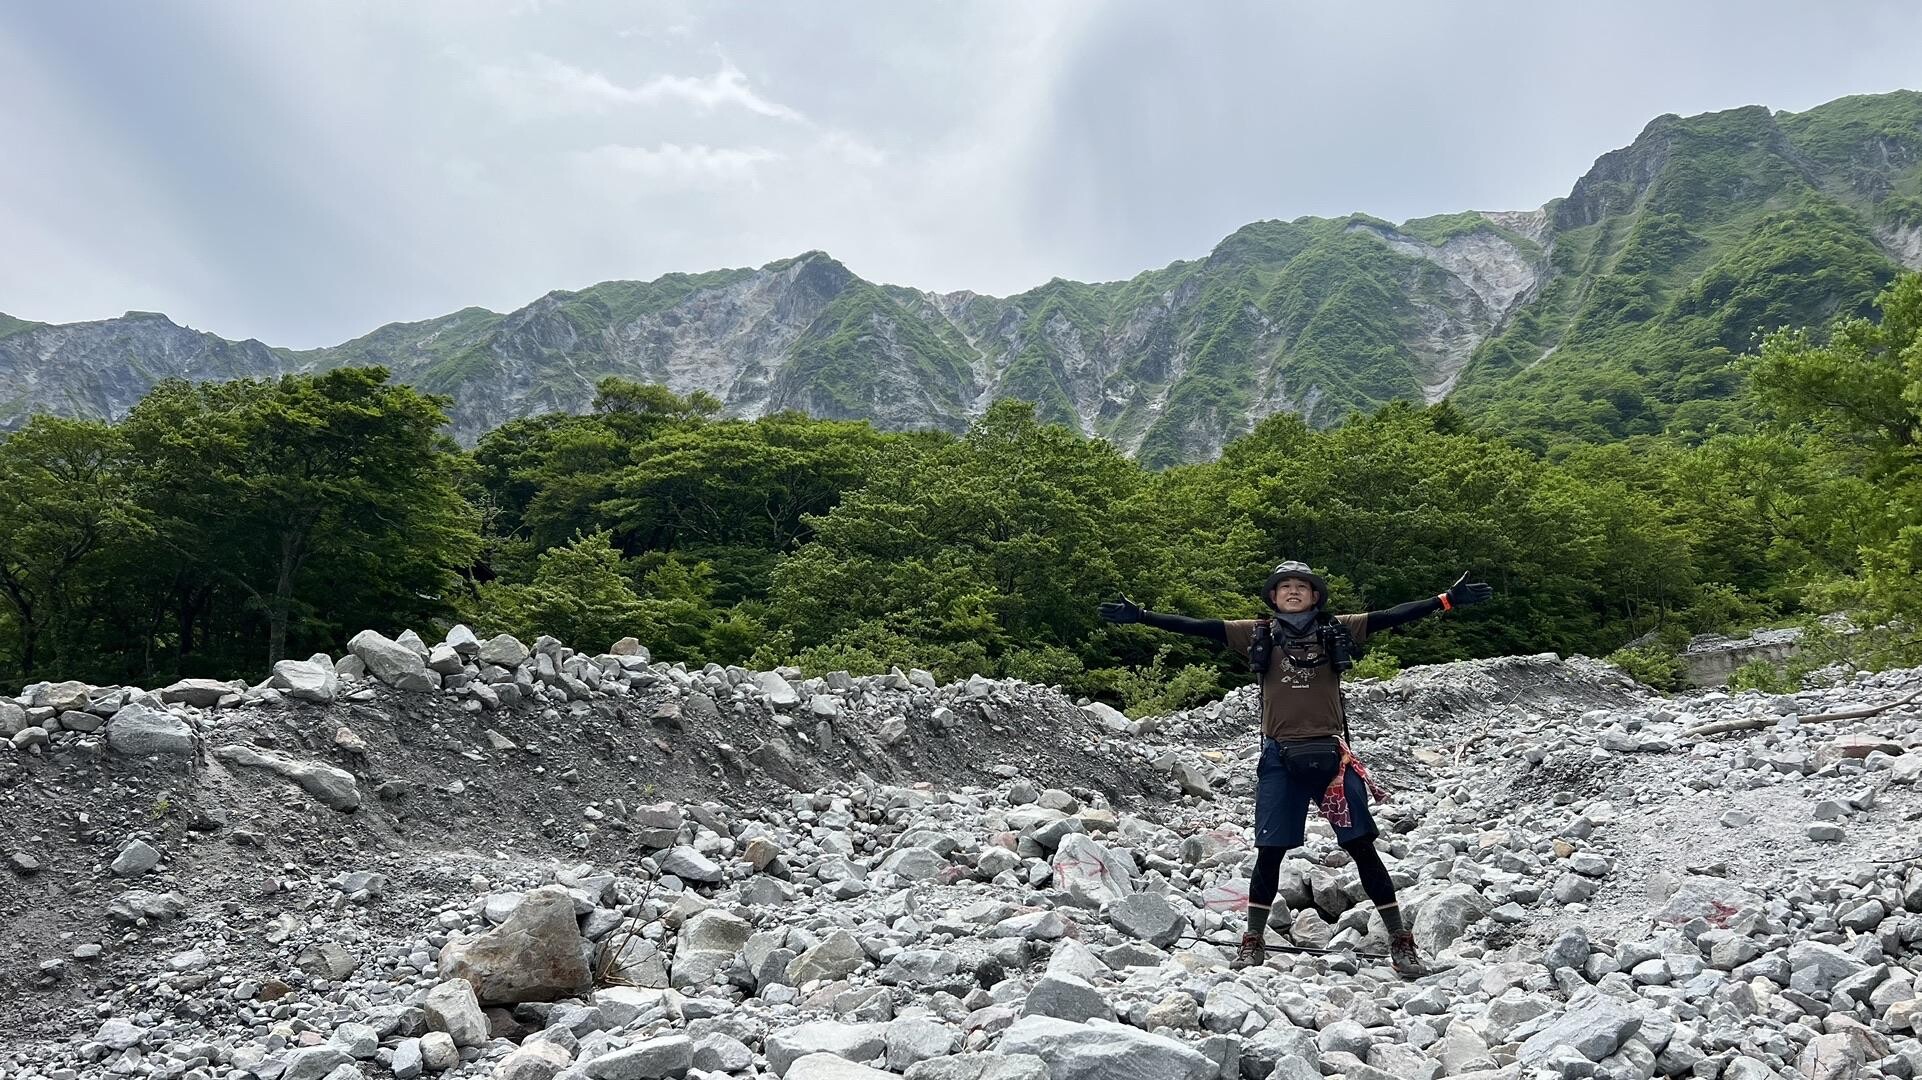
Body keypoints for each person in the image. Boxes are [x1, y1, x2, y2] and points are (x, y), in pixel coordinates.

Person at [1098, 560, 1492, 977]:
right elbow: (1199, 626)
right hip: (1278, 759)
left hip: (1332, 760)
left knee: (1361, 847)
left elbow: (1392, 616)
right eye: (1283, 586)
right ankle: (1252, 941)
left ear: (1315, 595)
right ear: (1272, 597)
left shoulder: (1338, 626)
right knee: (1269, 852)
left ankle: (1400, 940)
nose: (1291, 591)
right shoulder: (1257, 632)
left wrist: (1446, 600)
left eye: (1300, 586)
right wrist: (1141, 616)